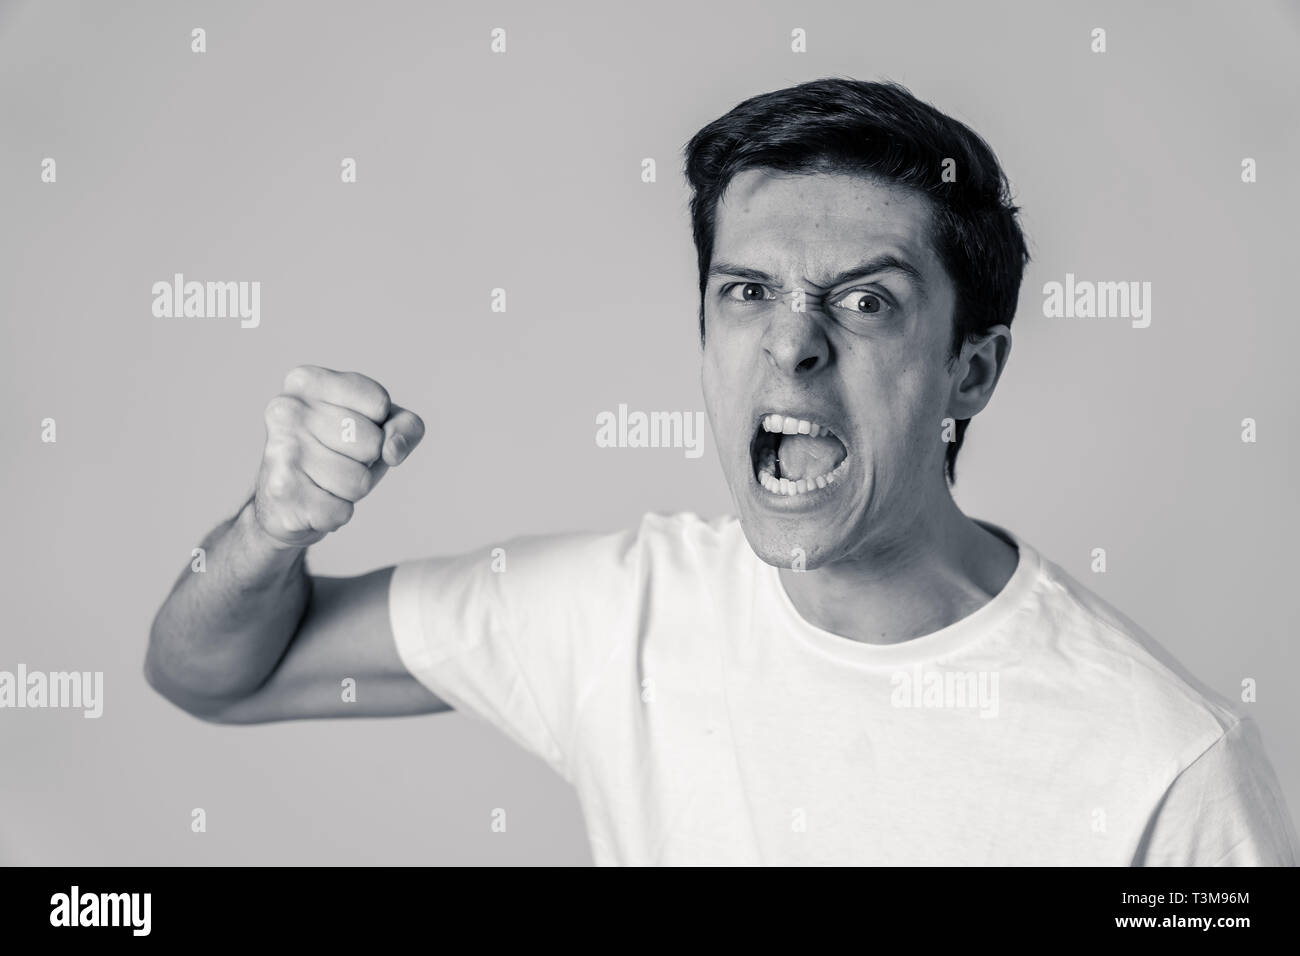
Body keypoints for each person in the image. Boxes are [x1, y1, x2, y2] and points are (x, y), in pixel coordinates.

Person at [146, 77, 1299, 866]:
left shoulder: (1168, 761)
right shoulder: (620, 615)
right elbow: (217, 674)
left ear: (972, 370)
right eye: (747, 292)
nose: (792, 344)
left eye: (865, 301)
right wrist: (273, 525)